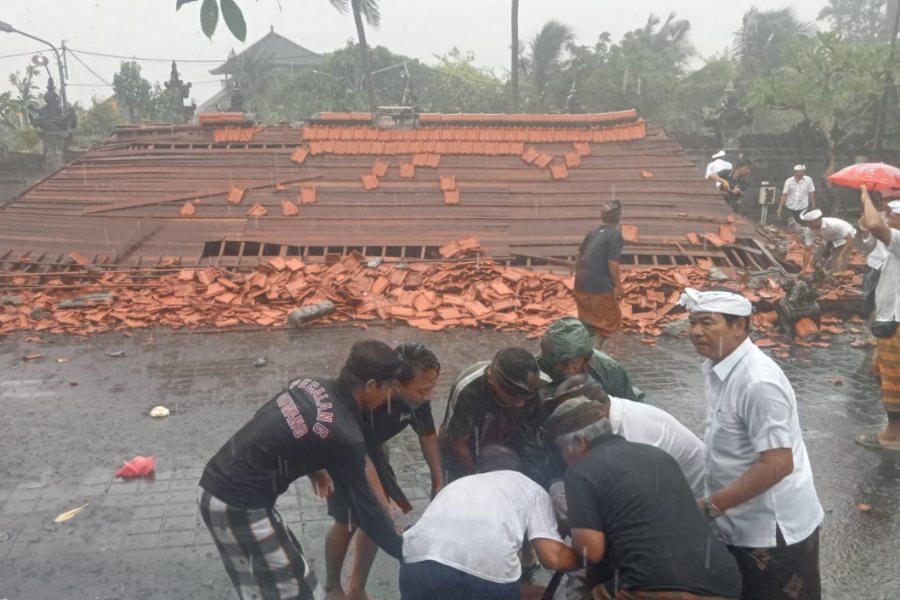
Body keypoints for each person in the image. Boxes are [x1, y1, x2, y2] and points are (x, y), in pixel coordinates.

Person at [198, 340, 405, 600]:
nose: (390, 397)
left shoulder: (309, 382)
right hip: (237, 504)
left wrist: (314, 466)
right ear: (371, 386)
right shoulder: (347, 436)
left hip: (219, 485)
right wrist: (406, 554)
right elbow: (366, 513)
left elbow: (273, 419)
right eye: (389, 389)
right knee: (302, 593)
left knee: (269, 583)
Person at [680, 287, 824, 600]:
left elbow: (778, 464)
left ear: (740, 326)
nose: (695, 332)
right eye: (692, 323)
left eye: (707, 322)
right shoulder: (718, 368)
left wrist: (713, 505)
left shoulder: (758, 383)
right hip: (739, 522)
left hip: (773, 530)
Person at [545, 397, 741, 600]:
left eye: (561, 449)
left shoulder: (581, 471)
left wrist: (557, 549)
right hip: (722, 580)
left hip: (652, 584)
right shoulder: (659, 456)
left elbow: (590, 551)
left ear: (579, 442)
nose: (563, 458)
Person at [321, 343, 444, 600]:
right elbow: (360, 458)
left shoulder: (417, 400)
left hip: (373, 450)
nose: (428, 396)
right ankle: (333, 587)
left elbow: (428, 436)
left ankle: (356, 588)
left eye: (431, 388)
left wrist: (438, 481)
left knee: (378, 519)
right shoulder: (369, 400)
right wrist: (382, 503)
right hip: (343, 452)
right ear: (397, 384)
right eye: (423, 389)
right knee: (349, 520)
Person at [399, 445, 579, 600]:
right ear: (517, 471)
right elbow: (552, 557)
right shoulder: (530, 488)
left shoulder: (457, 485)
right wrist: (591, 557)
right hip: (488, 576)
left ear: (479, 471)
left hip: (417, 564)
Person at [549, 374, 706, 496]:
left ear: (593, 407)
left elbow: (639, 492)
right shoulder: (606, 416)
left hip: (694, 491)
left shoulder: (634, 432)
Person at [439, 348, 542, 481]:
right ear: (491, 379)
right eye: (513, 398)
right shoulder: (468, 390)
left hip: (506, 441)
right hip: (466, 447)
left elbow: (533, 434)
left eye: (525, 398)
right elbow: (458, 443)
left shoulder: (537, 383)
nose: (520, 404)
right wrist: (477, 480)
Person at [858, 187, 900, 450]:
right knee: (883, 375)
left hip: (895, 322)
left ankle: (893, 436)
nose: (888, 219)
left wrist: (865, 195)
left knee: (892, 380)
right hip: (890, 319)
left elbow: (873, 224)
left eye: (893, 215)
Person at [537, 316, 643, 401]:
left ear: (586, 358)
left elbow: (628, 405)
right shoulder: (536, 368)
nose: (568, 370)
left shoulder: (609, 370)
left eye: (574, 363)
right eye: (561, 363)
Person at [573, 199, 625, 348]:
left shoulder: (593, 231)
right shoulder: (615, 234)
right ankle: (596, 349)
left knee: (587, 319)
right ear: (618, 216)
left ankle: (584, 347)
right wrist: (618, 285)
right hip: (599, 284)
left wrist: (578, 273)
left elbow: (579, 253)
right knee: (610, 318)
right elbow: (612, 262)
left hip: (582, 282)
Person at [799, 208, 856, 276]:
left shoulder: (834, 225)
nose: (808, 226)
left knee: (837, 267)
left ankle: (838, 276)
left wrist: (841, 255)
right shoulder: (809, 230)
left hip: (843, 238)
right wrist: (803, 269)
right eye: (807, 223)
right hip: (827, 238)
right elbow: (807, 250)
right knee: (814, 263)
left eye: (810, 223)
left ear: (817, 220)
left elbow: (850, 238)